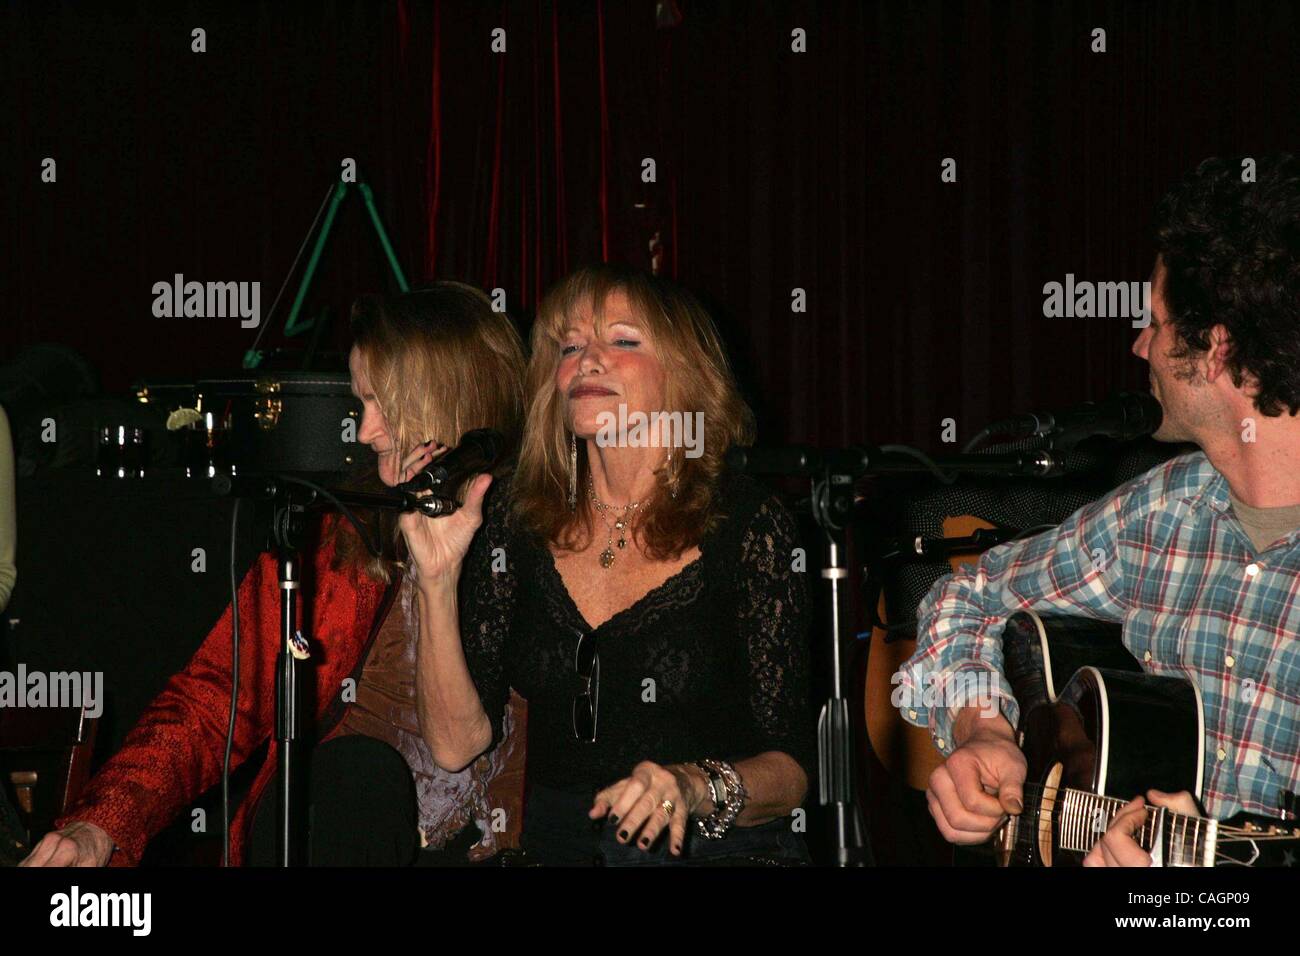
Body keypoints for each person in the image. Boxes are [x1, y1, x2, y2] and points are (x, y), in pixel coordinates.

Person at [20, 282, 526, 866]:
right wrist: (104, 821)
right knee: (354, 775)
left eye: (384, 403)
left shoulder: (539, 527)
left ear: (452, 401)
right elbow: (217, 695)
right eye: (361, 404)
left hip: (481, 844)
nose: (363, 432)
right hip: (334, 824)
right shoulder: (336, 529)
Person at [899, 153, 1300, 866]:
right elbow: (967, 595)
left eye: (1155, 322)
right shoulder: (1161, 511)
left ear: (1214, 350)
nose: (1139, 344)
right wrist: (982, 729)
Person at [406, 264, 816, 865]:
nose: (587, 361)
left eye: (622, 340)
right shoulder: (516, 520)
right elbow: (453, 745)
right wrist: (435, 581)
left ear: (686, 374)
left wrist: (691, 786)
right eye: (569, 347)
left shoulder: (749, 523)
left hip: (715, 848)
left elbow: (793, 771)